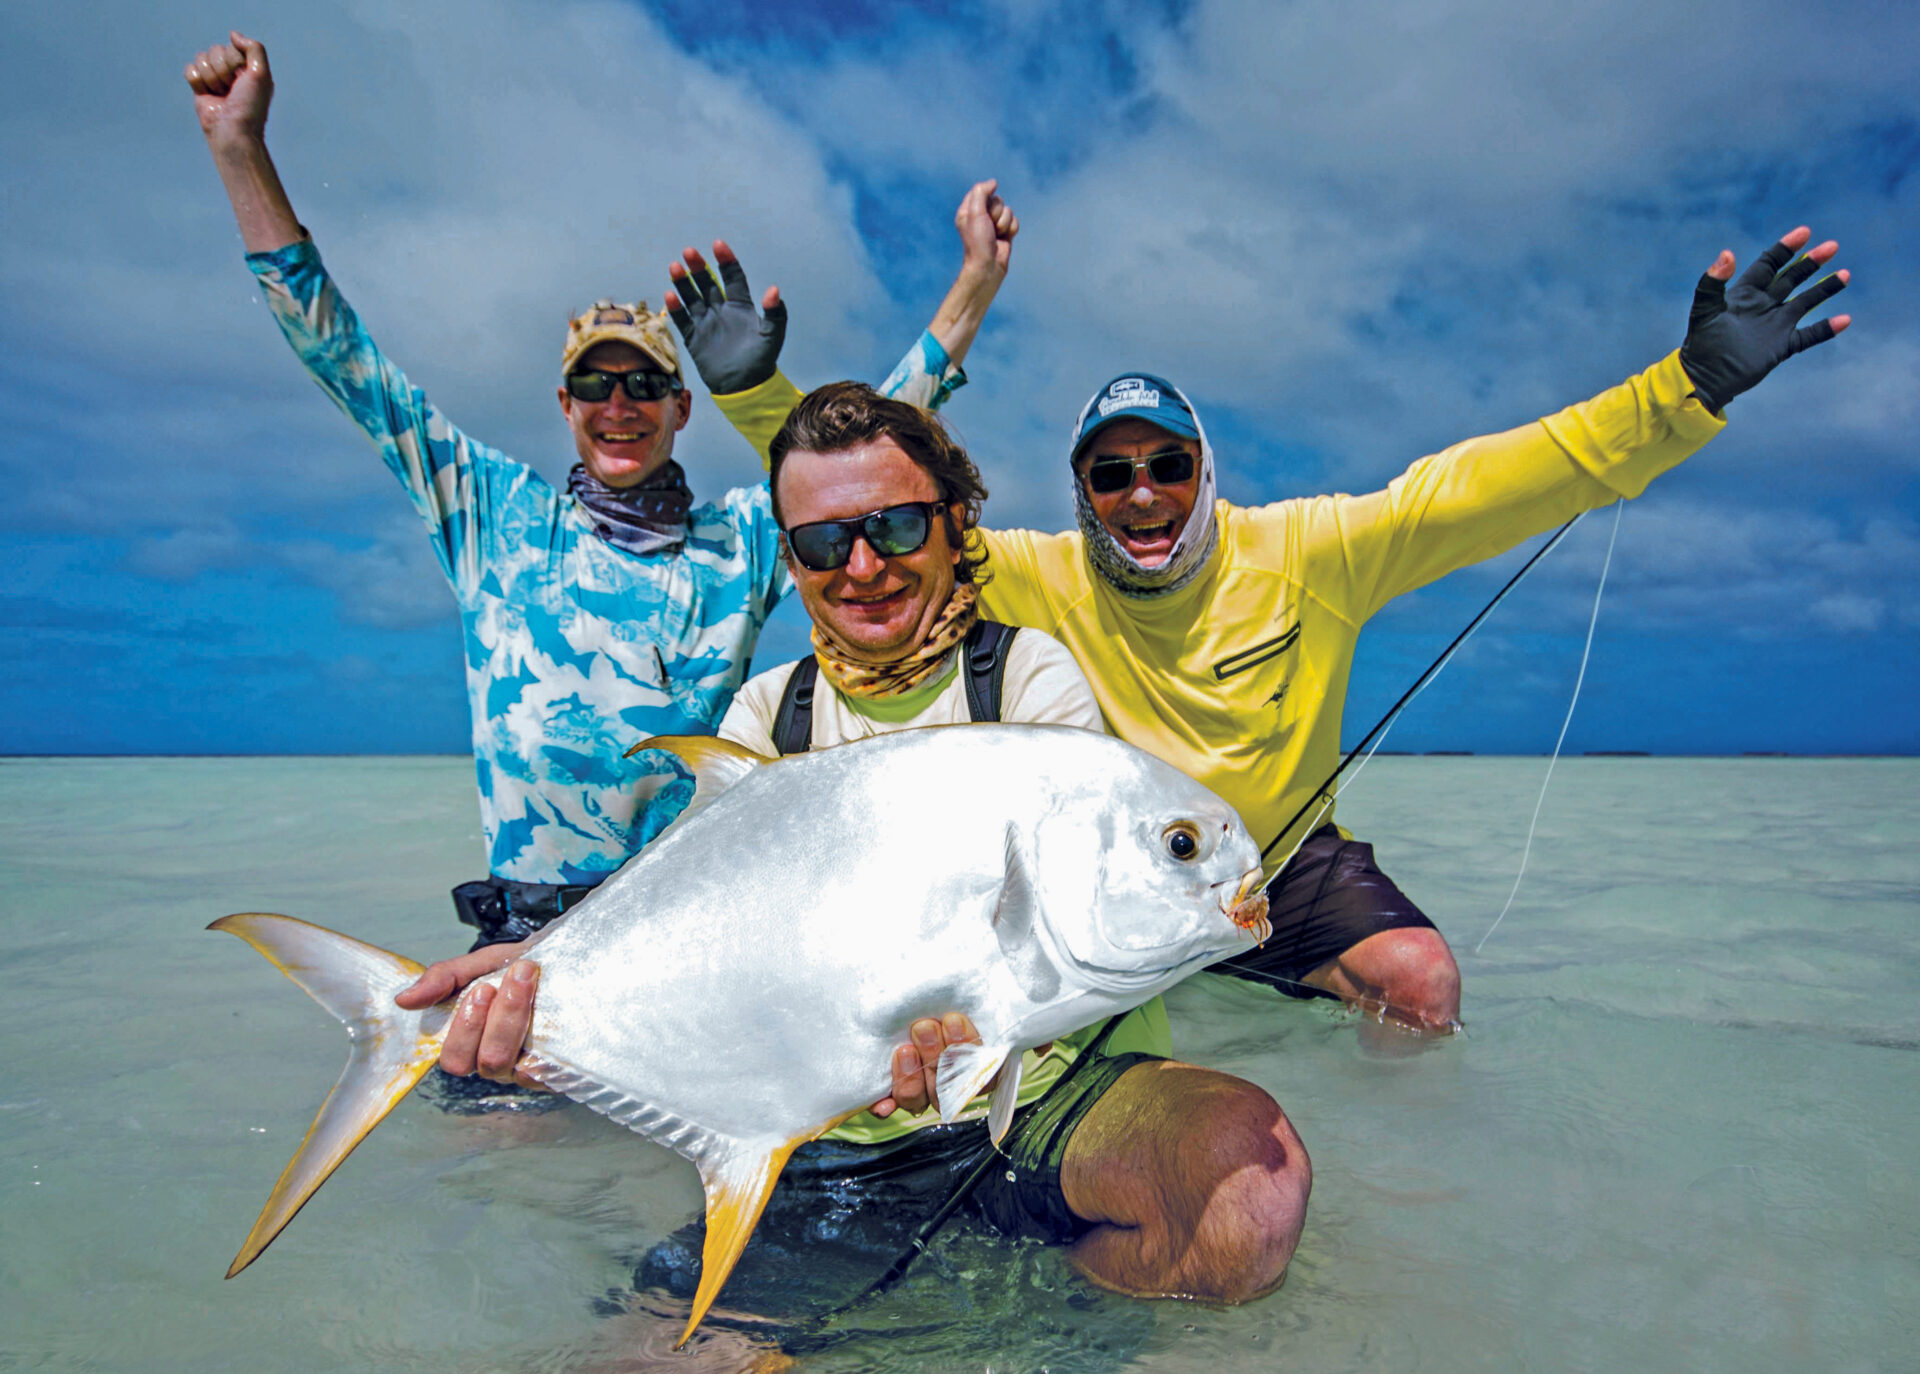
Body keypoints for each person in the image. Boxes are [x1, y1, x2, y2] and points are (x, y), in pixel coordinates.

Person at [703, 193, 1853, 1034]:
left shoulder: (1312, 551)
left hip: (1277, 864)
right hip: (1110, 876)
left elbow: (1500, 481)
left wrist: (1687, 388)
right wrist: (761, 399)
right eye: (1111, 474)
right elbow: (873, 500)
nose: (1142, 491)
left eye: (1168, 463)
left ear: (1208, 470)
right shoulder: (1028, 570)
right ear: (1080, 494)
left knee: (1424, 985)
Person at [399, 384, 1311, 1312]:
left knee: (1249, 1189)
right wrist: (537, 984)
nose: (863, 565)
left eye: (898, 527)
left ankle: (1041, 1315)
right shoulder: (765, 716)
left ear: (956, 528)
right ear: (792, 564)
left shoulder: (1025, 676)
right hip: (822, 1144)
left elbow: (1066, 944)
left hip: (1052, 1109)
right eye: (824, 543)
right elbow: (684, 939)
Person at [185, 36, 1007, 956]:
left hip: (680, 930)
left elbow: (870, 461)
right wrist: (239, 150)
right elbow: (347, 363)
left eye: (644, 386)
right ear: (566, 406)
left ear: (682, 405)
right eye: (597, 387)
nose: (620, 407)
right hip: (522, 937)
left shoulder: (736, 543)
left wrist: (974, 284)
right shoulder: (494, 518)